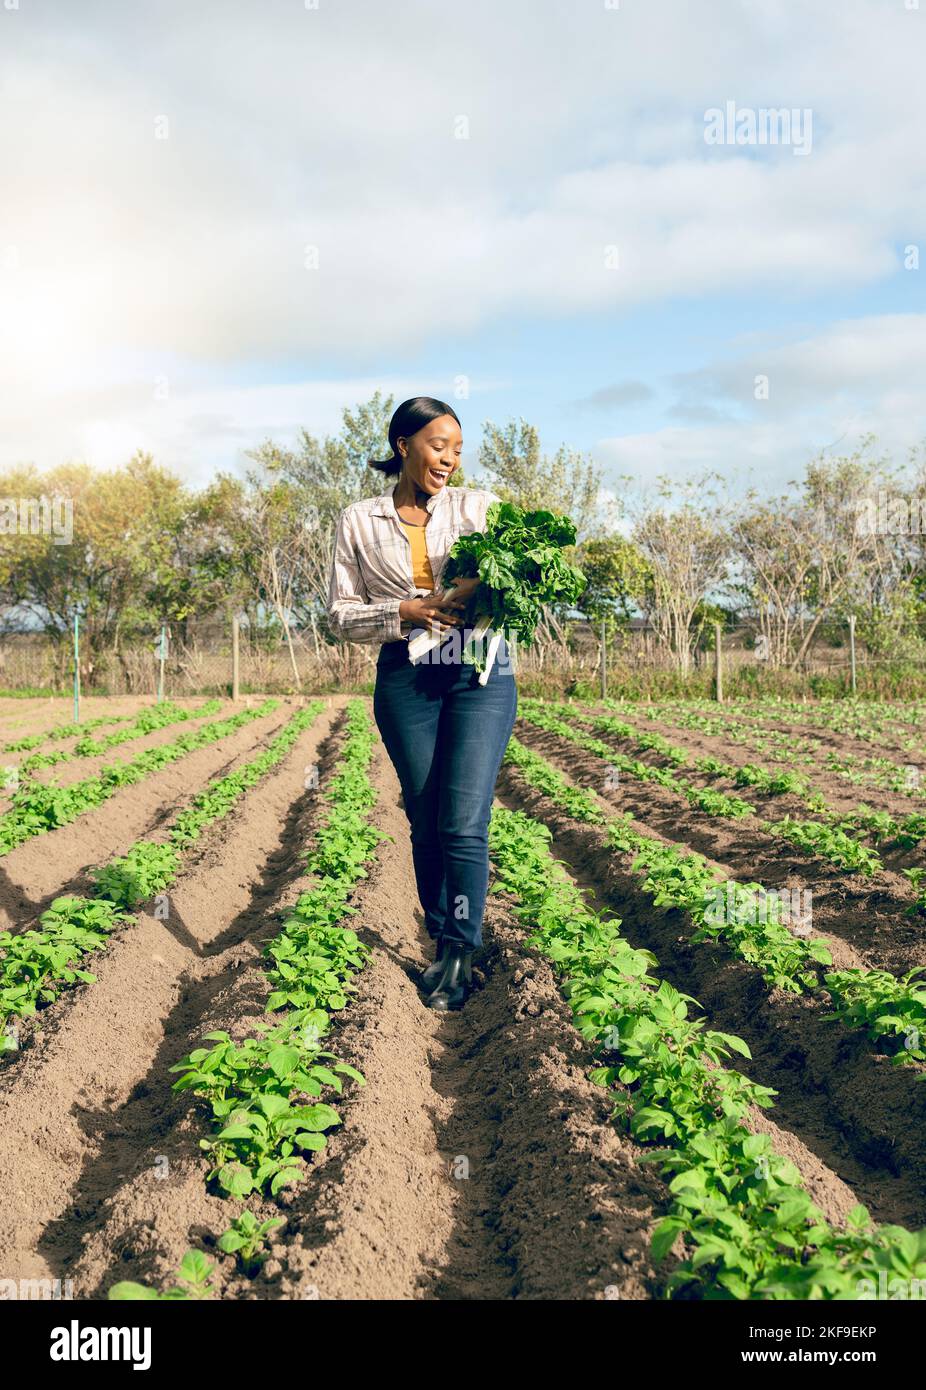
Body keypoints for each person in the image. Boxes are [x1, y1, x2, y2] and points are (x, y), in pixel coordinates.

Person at [327, 396, 517, 1010]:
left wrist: (474, 587)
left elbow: (517, 578)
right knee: (426, 817)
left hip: (477, 670)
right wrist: (404, 611)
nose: (450, 461)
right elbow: (339, 616)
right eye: (440, 447)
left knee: (463, 818)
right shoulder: (358, 520)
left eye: (458, 450)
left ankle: (462, 952)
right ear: (404, 445)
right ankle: (442, 938)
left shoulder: (481, 509)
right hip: (406, 674)